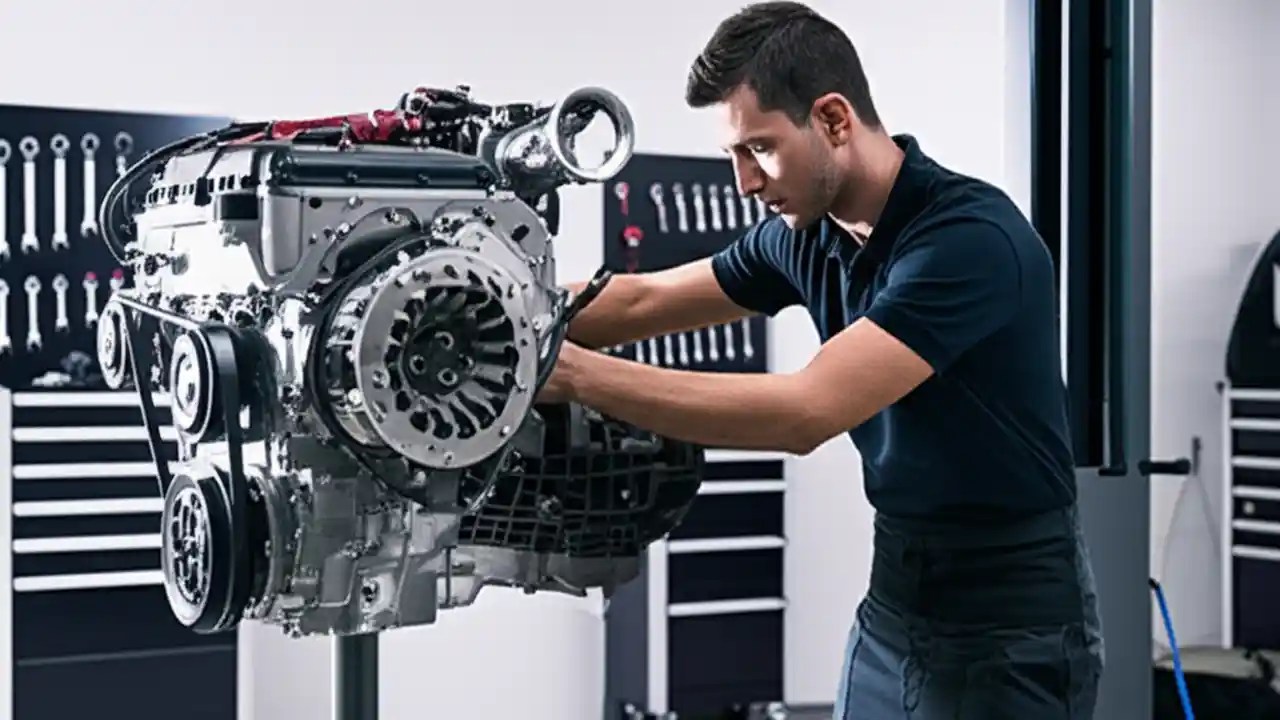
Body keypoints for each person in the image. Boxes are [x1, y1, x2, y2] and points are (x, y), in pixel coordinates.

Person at [538, 2, 1105, 717]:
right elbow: (643, 302)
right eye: (734, 157)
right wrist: (499, 296)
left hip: (1009, 621)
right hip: (896, 598)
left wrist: (573, 376)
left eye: (760, 149)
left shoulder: (969, 241)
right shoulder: (807, 231)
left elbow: (806, 412)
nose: (745, 182)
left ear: (834, 120)